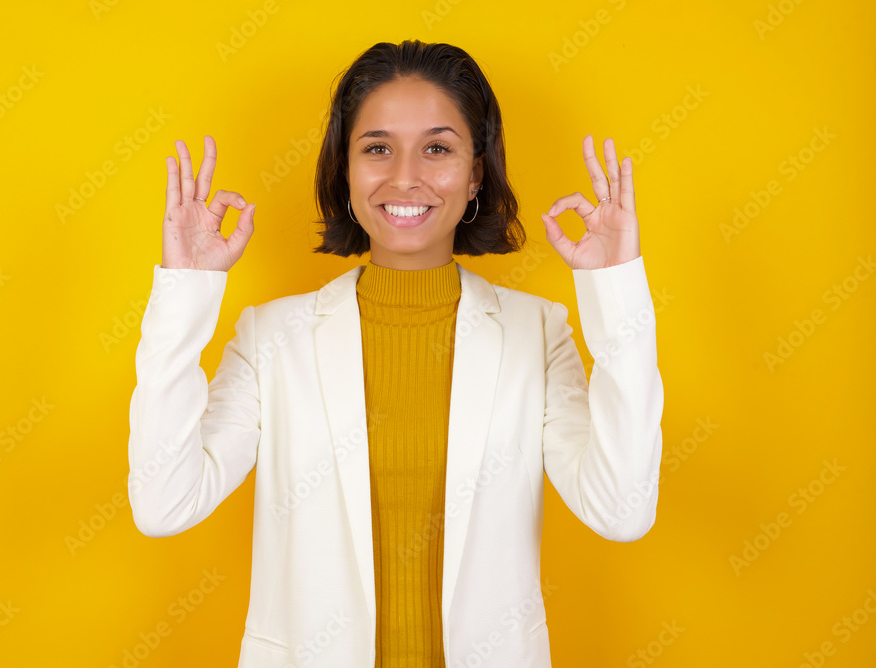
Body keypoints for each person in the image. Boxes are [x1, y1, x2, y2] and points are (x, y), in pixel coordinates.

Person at [127, 39, 663, 668]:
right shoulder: (271, 337)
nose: (404, 176)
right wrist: (185, 290)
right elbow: (164, 505)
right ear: (345, 172)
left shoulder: (537, 333)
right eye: (377, 148)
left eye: (438, 148)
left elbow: (621, 511)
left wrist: (614, 285)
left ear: (475, 176)